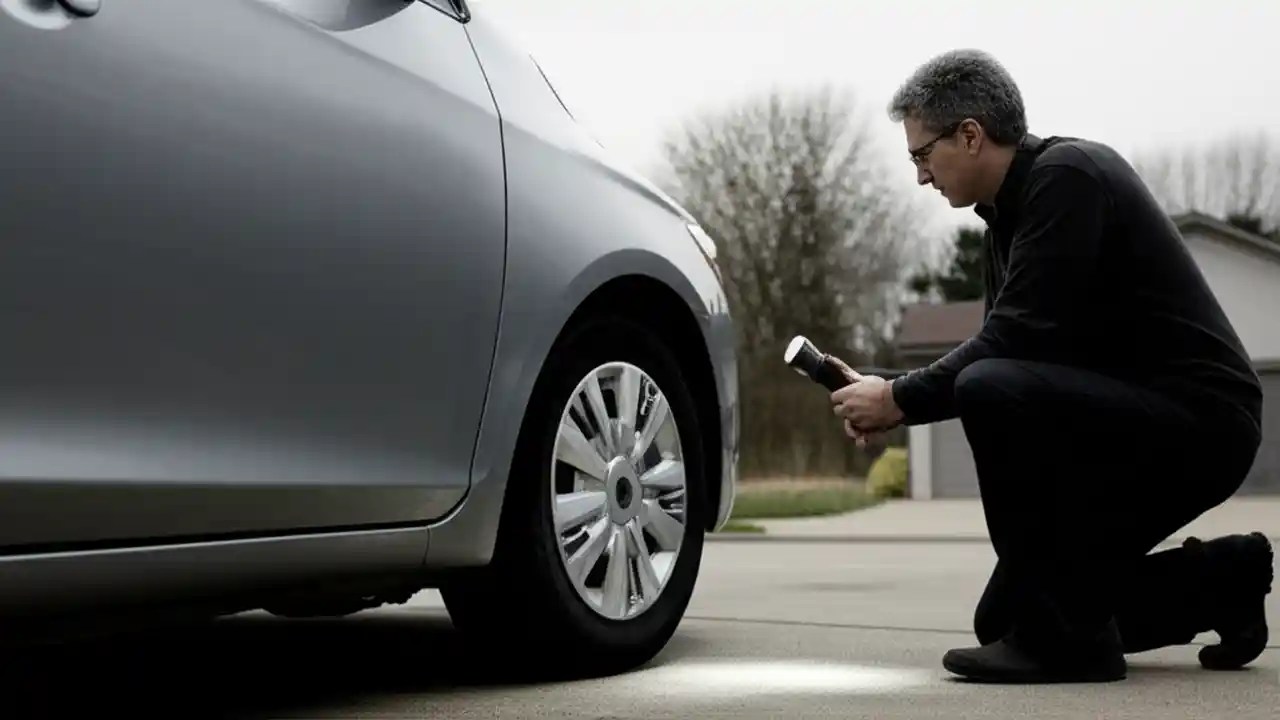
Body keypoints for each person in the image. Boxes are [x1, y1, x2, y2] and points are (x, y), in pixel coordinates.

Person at [828, 48, 1272, 684]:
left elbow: (1010, 348)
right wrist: (883, 390)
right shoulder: (1003, 228)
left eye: (922, 155)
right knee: (1006, 618)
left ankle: (1072, 645)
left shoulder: (1069, 178)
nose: (922, 177)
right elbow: (1007, 350)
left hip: (1200, 422)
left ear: (971, 135)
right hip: (1121, 427)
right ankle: (1222, 582)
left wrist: (899, 399)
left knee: (991, 390)